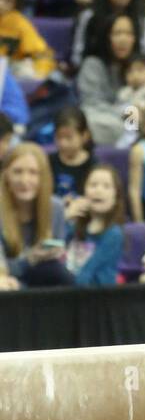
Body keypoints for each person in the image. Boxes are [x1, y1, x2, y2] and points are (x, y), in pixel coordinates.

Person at [0, 142, 70, 287]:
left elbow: (56, 263)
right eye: (17, 172)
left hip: (44, 283)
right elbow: (2, 270)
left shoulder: (55, 208)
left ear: (43, 178)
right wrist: (30, 259)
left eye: (33, 173)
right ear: (6, 175)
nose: (25, 181)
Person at [76, 11, 142, 146]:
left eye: (129, 34)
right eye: (117, 34)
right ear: (106, 37)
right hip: (105, 118)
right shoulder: (92, 64)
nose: (123, 39)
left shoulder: (142, 64)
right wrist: (125, 112)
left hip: (139, 119)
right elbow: (91, 103)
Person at [63, 165, 125, 286]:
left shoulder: (114, 234)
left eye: (106, 186)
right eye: (93, 185)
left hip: (97, 295)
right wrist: (65, 217)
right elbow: (55, 248)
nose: (98, 190)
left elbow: (87, 273)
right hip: (70, 289)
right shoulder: (75, 226)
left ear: (116, 198)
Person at [48, 105, 95, 205]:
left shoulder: (94, 166)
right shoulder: (48, 162)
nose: (63, 143)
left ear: (84, 136)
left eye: (69, 138)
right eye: (59, 137)